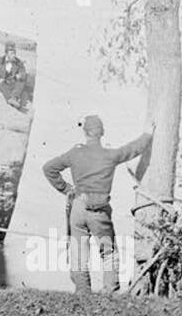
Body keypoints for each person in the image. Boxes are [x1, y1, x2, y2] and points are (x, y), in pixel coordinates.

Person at [41, 116, 153, 294]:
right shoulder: (110, 155)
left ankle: (82, 291)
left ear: (85, 133)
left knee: (78, 253)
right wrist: (148, 134)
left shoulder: (75, 153)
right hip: (100, 211)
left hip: (78, 206)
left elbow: (49, 168)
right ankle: (110, 290)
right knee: (108, 251)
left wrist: (66, 189)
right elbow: (132, 150)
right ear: (102, 133)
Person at [0, 42, 30, 109]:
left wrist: (20, 75)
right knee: (1, 83)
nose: (14, 55)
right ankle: (10, 99)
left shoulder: (18, 62)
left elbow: (24, 73)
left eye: (14, 53)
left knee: (21, 81)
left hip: (13, 83)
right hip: (2, 83)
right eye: (11, 53)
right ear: (6, 53)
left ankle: (14, 98)